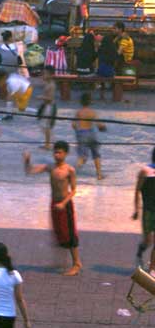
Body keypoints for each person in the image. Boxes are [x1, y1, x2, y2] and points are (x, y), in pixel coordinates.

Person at [24, 142, 83, 276]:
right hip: (54, 204)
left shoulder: (69, 170)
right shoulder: (50, 168)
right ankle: (61, 262)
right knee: (59, 232)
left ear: (66, 154)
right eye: (55, 152)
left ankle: (77, 263)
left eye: (60, 152)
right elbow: (29, 171)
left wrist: (63, 203)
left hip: (65, 204)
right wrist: (27, 161)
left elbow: (73, 190)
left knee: (70, 234)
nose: (57, 155)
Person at [73, 92, 105, 179]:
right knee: (96, 154)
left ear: (80, 102)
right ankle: (99, 174)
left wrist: (77, 131)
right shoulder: (92, 112)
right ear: (90, 102)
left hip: (82, 134)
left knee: (82, 157)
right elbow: (99, 125)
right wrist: (103, 127)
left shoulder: (78, 112)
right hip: (92, 134)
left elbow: (74, 125)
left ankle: (72, 172)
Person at [133, 146, 155, 273]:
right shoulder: (145, 171)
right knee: (148, 241)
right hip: (148, 211)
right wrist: (136, 209)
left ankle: (152, 269)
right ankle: (140, 253)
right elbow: (137, 191)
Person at [37, 65, 58, 150]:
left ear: (50, 75)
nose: (43, 75)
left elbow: (50, 98)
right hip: (46, 106)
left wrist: (41, 97)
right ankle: (48, 142)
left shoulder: (51, 85)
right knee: (44, 125)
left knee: (46, 126)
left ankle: (48, 144)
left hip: (49, 107)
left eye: (45, 74)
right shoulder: (47, 83)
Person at [97, 31, 120, 101]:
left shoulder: (101, 47)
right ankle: (115, 95)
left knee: (101, 76)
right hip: (109, 71)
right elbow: (116, 57)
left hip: (101, 70)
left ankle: (102, 95)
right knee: (114, 74)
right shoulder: (113, 48)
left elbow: (98, 57)